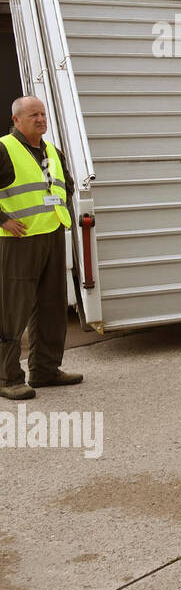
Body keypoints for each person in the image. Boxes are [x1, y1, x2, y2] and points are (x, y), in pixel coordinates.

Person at [0, 96, 82, 400]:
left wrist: (60, 214)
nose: (41, 119)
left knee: (51, 305)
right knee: (12, 310)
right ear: (17, 120)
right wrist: (3, 220)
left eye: (43, 114)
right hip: (17, 241)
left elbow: (66, 185)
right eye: (34, 115)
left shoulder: (51, 151)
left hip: (50, 234)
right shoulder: (4, 148)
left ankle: (45, 369)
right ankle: (7, 377)